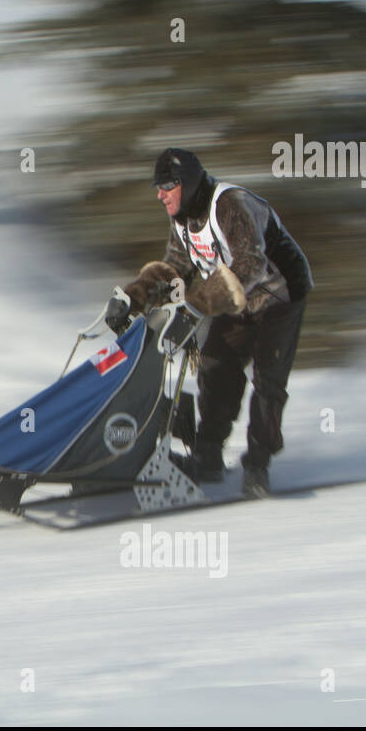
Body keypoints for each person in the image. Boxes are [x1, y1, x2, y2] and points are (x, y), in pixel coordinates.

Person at [101, 149, 313, 496]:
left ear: (187, 183)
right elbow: (176, 269)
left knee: (268, 379)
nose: (160, 194)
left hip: (280, 295)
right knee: (216, 365)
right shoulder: (183, 219)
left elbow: (250, 263)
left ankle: (258, 464)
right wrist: (133, 298)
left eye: (167, 186)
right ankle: (209, 456)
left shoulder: (228, 205)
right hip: (239, 298)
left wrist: (199, 304)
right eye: (159, 187)